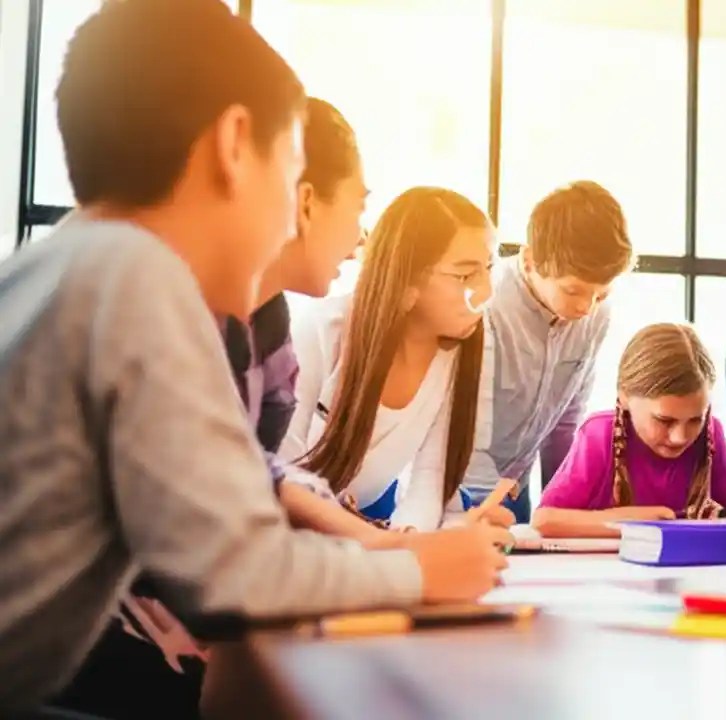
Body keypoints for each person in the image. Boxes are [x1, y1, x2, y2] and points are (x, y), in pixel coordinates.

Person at [0, 2, 508, 714]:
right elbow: (236, 574)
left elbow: (236, 496)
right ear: (234, 145)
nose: (294, 213)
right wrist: (418, 573)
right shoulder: (137, 276)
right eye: (292, 168)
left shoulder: (55, 266)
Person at [53, 96, 394, 719]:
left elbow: (250, 479)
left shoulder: (267, 322)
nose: (361, 236)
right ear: (306, 201)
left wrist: (376, 548)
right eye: (360, 205)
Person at [282, 186, 514, 532]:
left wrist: (412, 542)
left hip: (355, 536)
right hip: (290, 532)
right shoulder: (325, 329)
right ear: (406, 280)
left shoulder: (465, 349)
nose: (486, 292)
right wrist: (382, 543)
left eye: (489, 268)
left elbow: (430, 480)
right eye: (466, 275)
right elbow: (280, 468)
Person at [463, 181, 634, 523]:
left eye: (601, 294)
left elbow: (566, 418)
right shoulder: (488, 304)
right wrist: (480, 509)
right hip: (462, 485)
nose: (586, 307)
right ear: (529, 260)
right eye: (573, 291)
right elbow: (465, 420)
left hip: (516, 483)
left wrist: (563, 505)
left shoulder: (596, 313)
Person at [533, 323, 726, 537]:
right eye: (664, 420)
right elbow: (544, 521)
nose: (680, 437)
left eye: (696, 420)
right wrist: (630, 522)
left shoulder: (711, 434)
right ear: (624, 397)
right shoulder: (599, 436)